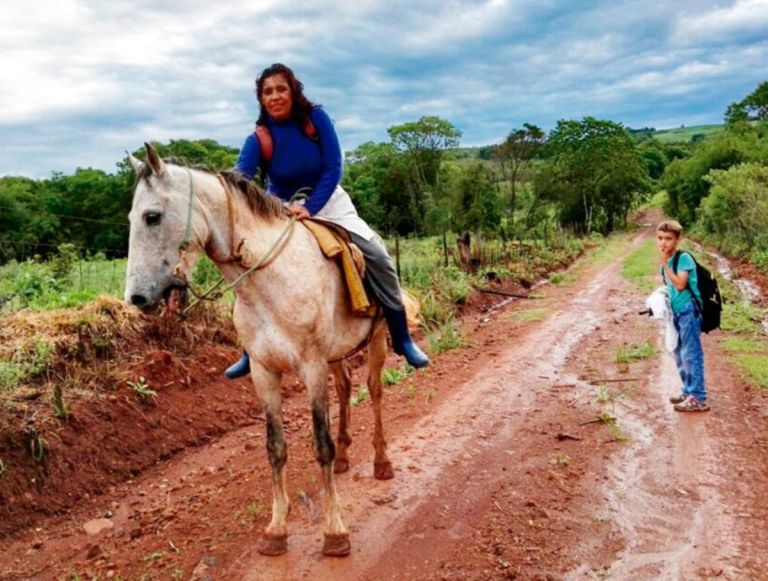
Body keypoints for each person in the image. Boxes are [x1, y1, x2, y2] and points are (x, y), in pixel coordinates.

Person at [224, 63, 429, 378]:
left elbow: (334, 166)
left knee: (377, 255)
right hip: (281, 210)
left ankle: (402, 337)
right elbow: (241, 177)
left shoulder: (315, 120)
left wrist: (312, 205)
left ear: (293, 91)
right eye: (267, 91)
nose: (275, 96)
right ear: (261, 99)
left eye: (281, 89)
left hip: (328, 200)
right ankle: (250, 350)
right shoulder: (259, 138)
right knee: (252, 270)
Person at [656, 220, 709, 412]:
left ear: (678, 240)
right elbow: (670, 288)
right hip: (676, 312)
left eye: (668, 239)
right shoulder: (668, 261)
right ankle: (688, 391)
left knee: (691, 353)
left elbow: (680, 284)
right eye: (660, 238)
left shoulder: (683, 258)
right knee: (679, 353)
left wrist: (665, 264)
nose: (663, 243)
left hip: (689, 310)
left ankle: (699, 397)